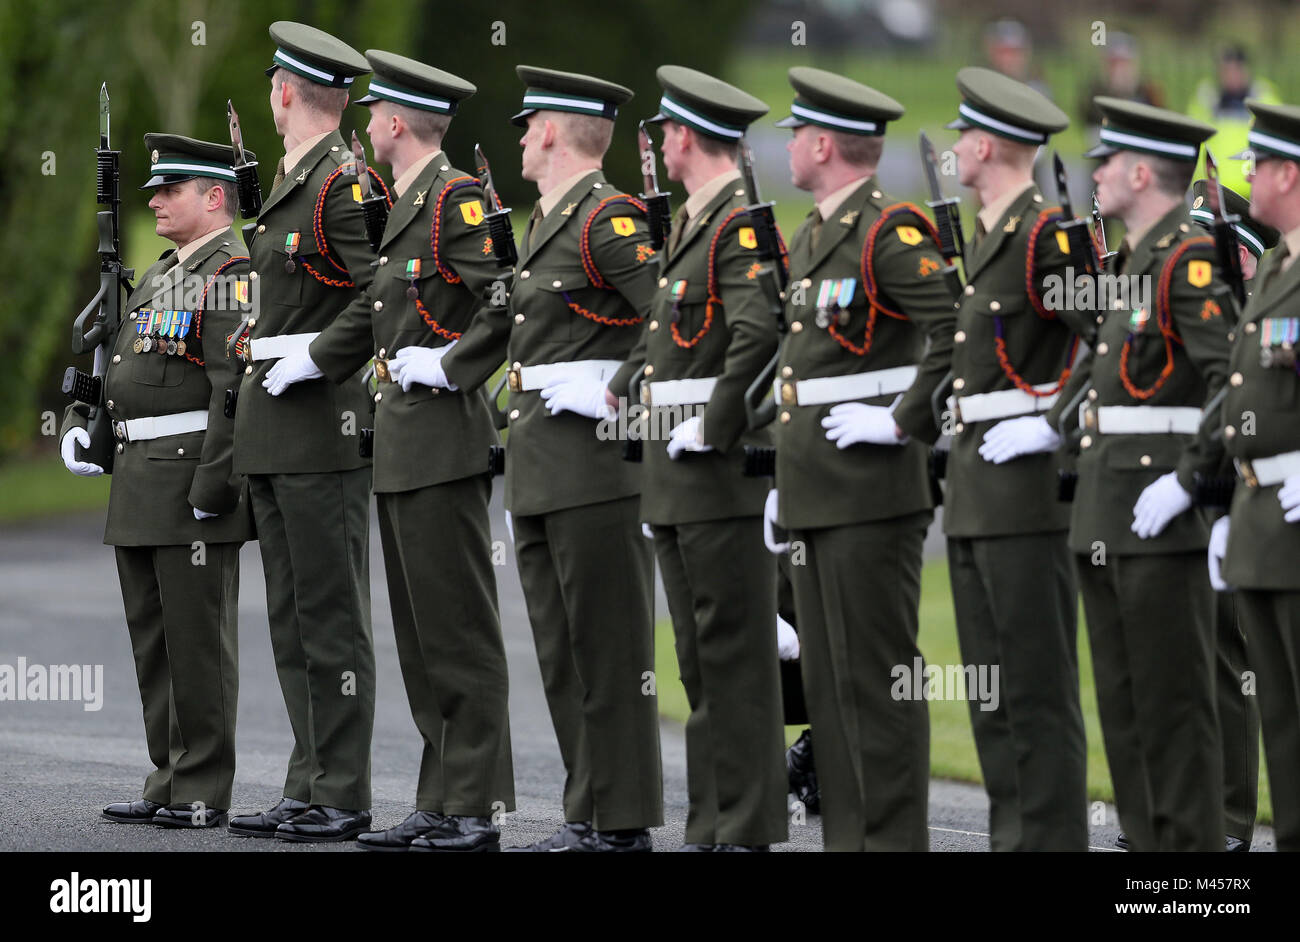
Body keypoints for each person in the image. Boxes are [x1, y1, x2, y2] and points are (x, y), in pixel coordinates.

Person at [271, 50, 517, 852]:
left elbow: (503, 303)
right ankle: (441, 799)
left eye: (375, 112)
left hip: (447, 437)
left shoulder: (454, 201)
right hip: (405, 442)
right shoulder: (410, 204)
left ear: (399, 123)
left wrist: (451, 367)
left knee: (459, 632)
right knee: (421, 636)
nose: (366, 121)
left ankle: (475, 808)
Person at [431, 65, 663, 853]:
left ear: (558, 131)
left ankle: (622, 821)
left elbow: (674, 315)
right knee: (566, 655)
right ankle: (590, 811)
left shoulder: (608, 220)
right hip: (539, 468)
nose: (523, 136)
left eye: (530, 125)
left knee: (608, 644)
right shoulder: (547, 222)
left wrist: (613, 384)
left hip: (596, 470)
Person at [764, 66, 956, 850]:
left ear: (820, 144)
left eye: (797, 136)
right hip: (816, 488)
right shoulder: (815, 229)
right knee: (833, 687)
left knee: (878, 680)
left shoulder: (889, 231)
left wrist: (904, 422)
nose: (790, 149)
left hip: (872, 492)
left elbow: (956, 330)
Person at [1037, 98, 1227, 851]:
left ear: (1142, 172)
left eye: (1107, 162)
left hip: (1157, 515)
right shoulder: (1135, 263)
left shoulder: (1187, 259)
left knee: (1173, 712)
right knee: (1124, 712)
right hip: (1106, 512)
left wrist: (1190, 479)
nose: (1098, 174)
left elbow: (1229, 382)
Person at [615, 65, 788, 851]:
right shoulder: (693, 222)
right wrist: (629, 384)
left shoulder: (738, 228)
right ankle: (711, 825)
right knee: (697, 662)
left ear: (682, 137)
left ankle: (744, 829)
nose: (660, 143)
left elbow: (760, 335)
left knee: (733, 657)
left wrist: (718, 426)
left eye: (664, 132)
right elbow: (672, 334)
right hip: (674, 471)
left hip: (715, 471)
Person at [59, 134, 253, 829]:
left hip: (191, 480)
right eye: (153, 190)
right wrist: (91, 428)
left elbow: (235, 389)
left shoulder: (232, 272)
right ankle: (169, 776)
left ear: (213, 198)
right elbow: (129, 371)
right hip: (140, 479)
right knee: (154, 637)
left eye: (169, 190)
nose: (154, 201)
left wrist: (216, 486)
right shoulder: (165, 273)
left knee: (198, 642)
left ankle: (203, 787)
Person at [227, 21, 379, 843]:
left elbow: (378, 296)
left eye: (274, 85)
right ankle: (308, 781)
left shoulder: (342, 185)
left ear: (286, 91)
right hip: (277, 432)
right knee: (291, 618)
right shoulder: (294, 180)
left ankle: (344, 792)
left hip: (324, 427)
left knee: (331, 618)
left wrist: (317, 357)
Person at [938, 67, 1088, 851]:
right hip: (974, 485)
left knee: (1035, 689)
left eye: (965, 135)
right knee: (991, 695)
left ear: (989, 144)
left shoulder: (1045, 237)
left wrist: (1056, 423)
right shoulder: (994, 234)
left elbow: (1115, 343)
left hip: (1024, 491)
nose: (956, 148)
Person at [1212, 99, 1300, 852]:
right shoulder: (1276, 267)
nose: (1245, 175)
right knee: (1280, 713)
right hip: (1262, 512)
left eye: (1255, 164)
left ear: (1289, 175)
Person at [1189, 176, 1277, 852]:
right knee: (1185, 663)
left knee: (1236, 663)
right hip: (1191, 491)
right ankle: (1185, 813)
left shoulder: (1263, 314)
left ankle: (1225, 824)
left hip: (1249, 497)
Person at [1188, 45, 1280, 194]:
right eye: (1226, 70)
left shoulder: (1264, 99)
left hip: (1252, 191)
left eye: (1236, 69)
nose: (1231, 75)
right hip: (1212, 190)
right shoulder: (1205, 101)